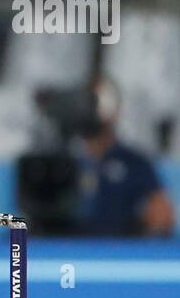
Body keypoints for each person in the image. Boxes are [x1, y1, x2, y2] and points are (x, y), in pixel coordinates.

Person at [74, 78, 174, 236]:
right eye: (88, 101)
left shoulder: (134, 162)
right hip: (68, 252)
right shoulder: (64, 160)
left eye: (99, 102)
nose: (92, 109)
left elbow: (163, 215)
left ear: (116, 109)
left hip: (120, 252)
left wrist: (142, 223)